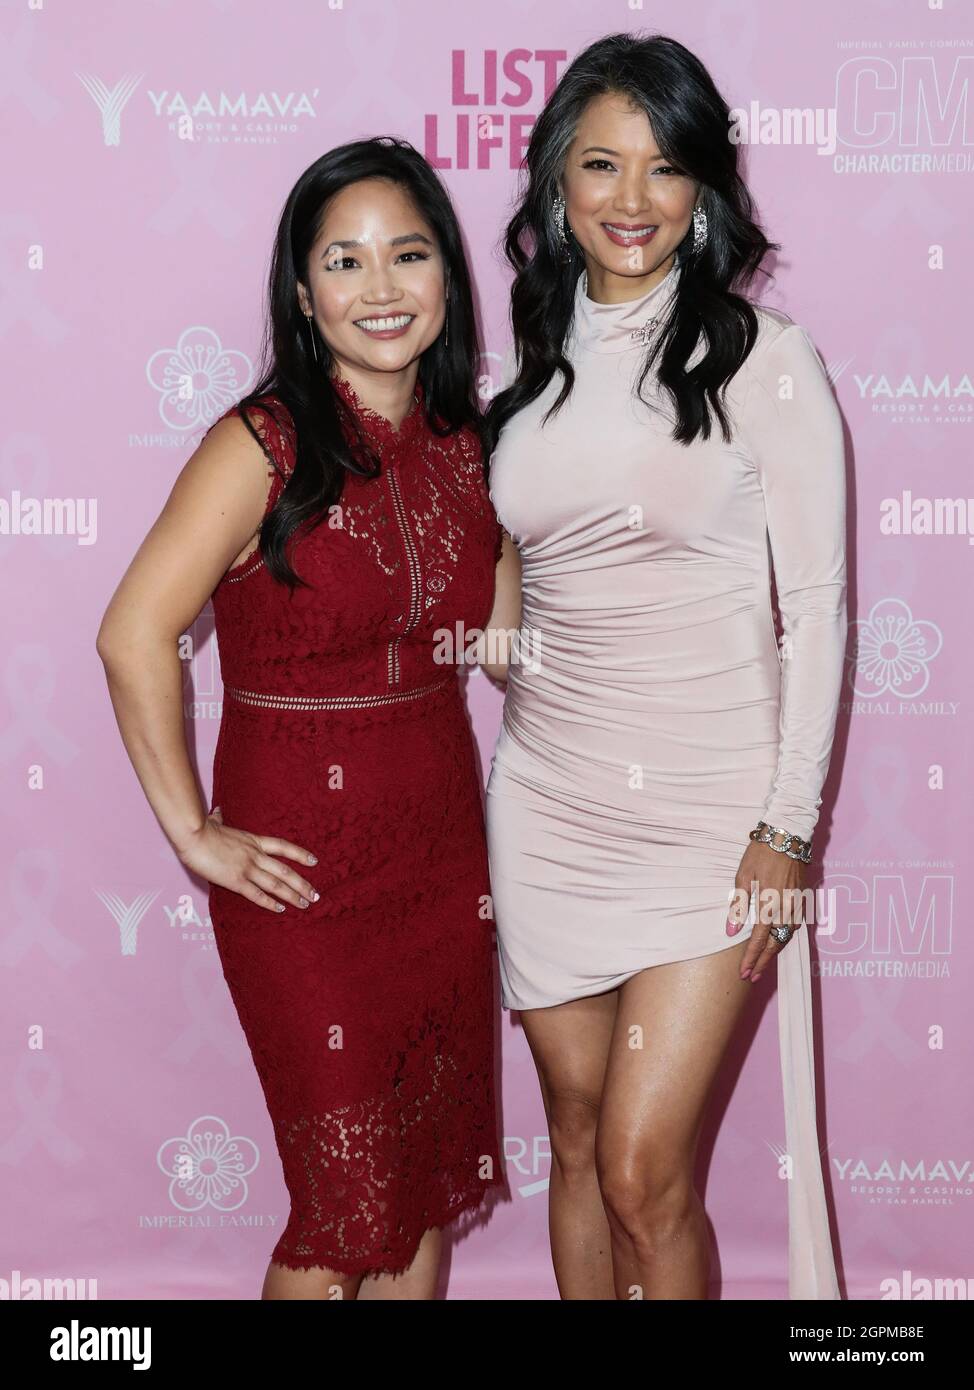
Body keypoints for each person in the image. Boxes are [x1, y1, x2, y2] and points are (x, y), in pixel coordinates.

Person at [97, 137, 505, 1300]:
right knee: (343, 1210)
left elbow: (510, 642)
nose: (379, 288)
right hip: (301, 879)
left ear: (446, 278)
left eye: (408, 254)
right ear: (301, 289)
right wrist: (193, 831)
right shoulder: (262, 444)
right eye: (344, 260)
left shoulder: (468, 447)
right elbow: (133, 635)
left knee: (419, 1183)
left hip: (440, 859)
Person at [483, 33, 846, 1300]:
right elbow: (535, 538)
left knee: (642, 1167)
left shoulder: (764, 359)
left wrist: (784, 827)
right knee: (576, 1144)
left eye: (665, 168)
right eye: (599, 165)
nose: (629, 202)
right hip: (543, 805)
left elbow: (816, 610)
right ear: (553, 184)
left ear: (704, 191)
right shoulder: (522, 373)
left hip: (709, 817)